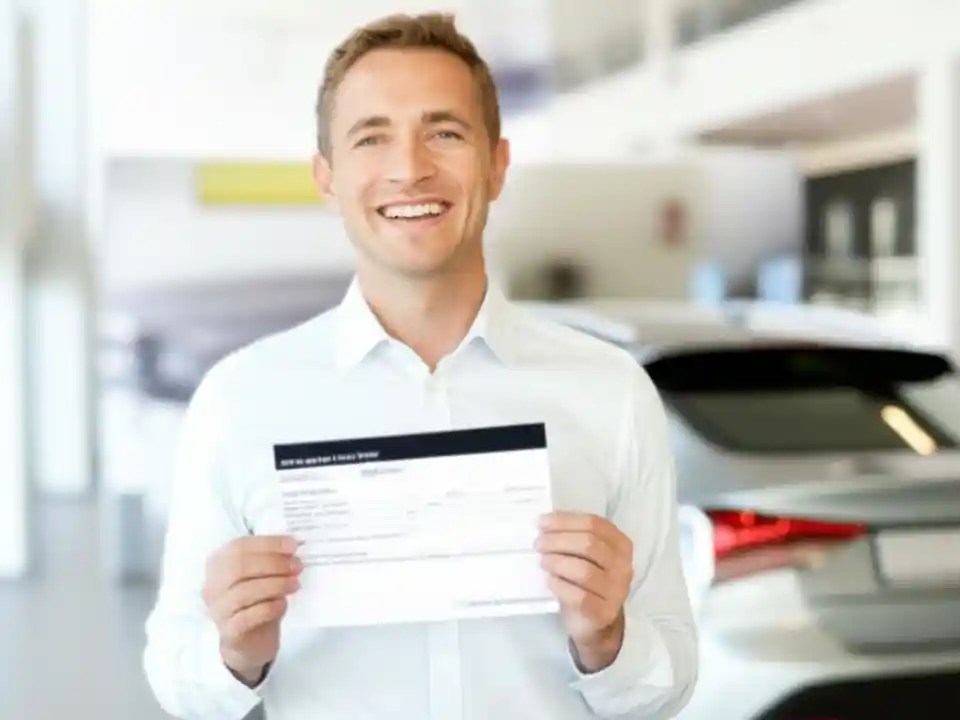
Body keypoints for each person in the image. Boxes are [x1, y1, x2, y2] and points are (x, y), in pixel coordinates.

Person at [143, 13, 698, 720]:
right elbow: (176, 675)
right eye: (371, 137)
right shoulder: (240, 399)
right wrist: (233, 654)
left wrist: (609, 639)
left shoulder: (610, 393)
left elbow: (670, 684)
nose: (409, 169)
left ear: (497, 165)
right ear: (326, 177)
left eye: (445, 133)